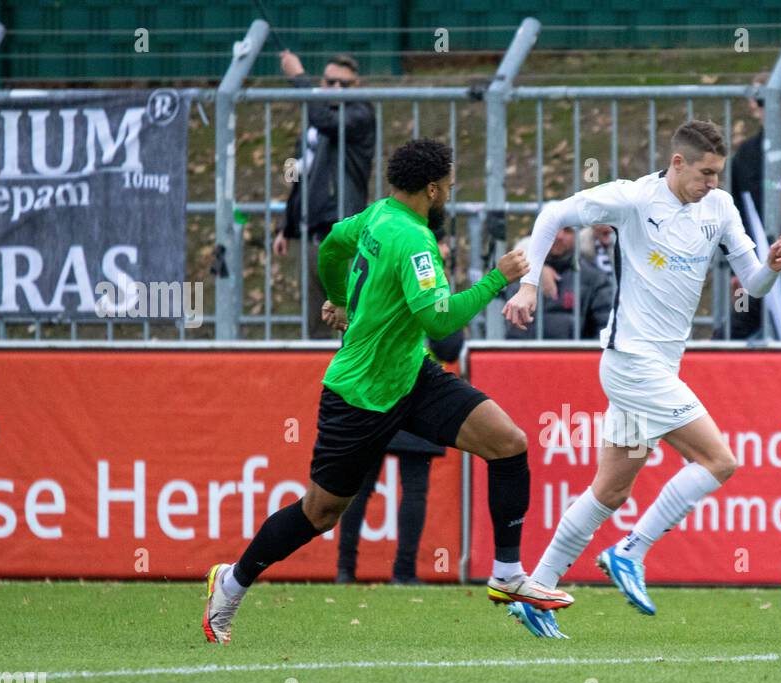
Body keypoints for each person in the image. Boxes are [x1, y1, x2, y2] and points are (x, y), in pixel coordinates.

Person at [201, 139, 573, 644]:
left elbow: (332, 242)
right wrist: (497, 280)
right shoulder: (416, 241)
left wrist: (338, 300)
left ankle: (507, 576)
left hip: (411, 376)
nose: (450, 192)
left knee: (509, 442)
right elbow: (439, 318)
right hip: (359, 394)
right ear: (433, 188)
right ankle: (231, 581)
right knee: (320, 513)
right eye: (448, 184)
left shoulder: (378, 214)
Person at [501, 121, 781, 639]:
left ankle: (534, 591)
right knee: (719, 460)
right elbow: (552, 213)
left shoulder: (720, 208)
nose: (711, 182)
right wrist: (527, 287)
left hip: (657, 364)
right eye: (704, 172)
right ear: (677, 163)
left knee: (610, 489)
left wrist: (772, 266)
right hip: (632, 361)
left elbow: (753, 282)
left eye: (717, 174)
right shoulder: (634, 199)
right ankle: (630, 552)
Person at [335, 231, 461, 585]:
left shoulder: (382, 271)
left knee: (360, 484)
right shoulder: (431, 283)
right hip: (416, 389)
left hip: (374, 390)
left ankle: (346, 570)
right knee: (413, 486)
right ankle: (403, 572)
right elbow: (450, 344)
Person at [272, 51, 376, 340]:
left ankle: (354, 383)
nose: (337, 89)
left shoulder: (359, 114)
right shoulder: (311, 127)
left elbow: (323, 118)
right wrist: (286, 226)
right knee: (316, 325)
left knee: (349, 321)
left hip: (343, 236)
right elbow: (297, 173)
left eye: (345, 84)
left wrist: (297, 76)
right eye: (330, 82)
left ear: (356, 87)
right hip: (313, 235)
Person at [726, 73, 781, 339]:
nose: (764, 104)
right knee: (742, 324)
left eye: (770, 96)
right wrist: (739, 262)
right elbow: (736, 210)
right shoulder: (744, 154)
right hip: (759, 255)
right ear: (751, 105)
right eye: (759, 98)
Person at [502, 226, 615, 340]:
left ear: (577, 235)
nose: (559, 236)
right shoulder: (519, 273)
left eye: (567, 230)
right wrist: (536, 270)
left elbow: (603, 328)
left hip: (574, 356)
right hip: (524, 355)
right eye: (552, 229)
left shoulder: (594, 278)